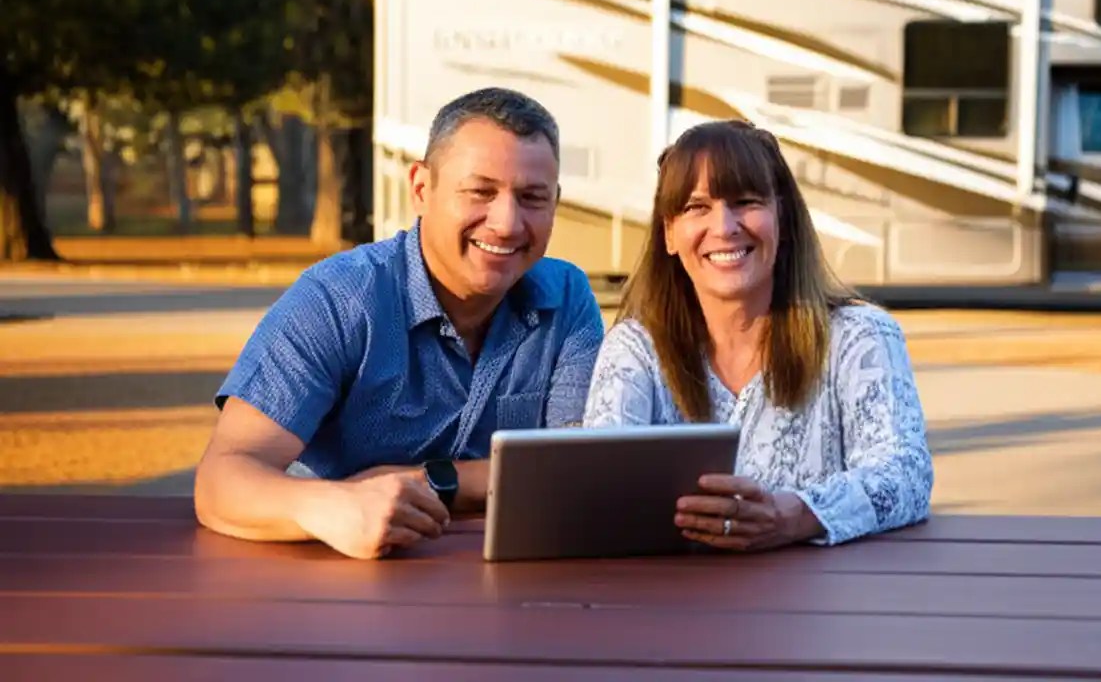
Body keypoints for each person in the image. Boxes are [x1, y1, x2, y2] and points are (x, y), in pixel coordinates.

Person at [194, 88, 604, 559]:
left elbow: (571, 476)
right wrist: (335, 506)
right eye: (480, 192)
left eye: (532, 197)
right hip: (339, 588)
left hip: (507, 591)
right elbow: (222, 479)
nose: (507, 223)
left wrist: (422, 480)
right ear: (421, 190)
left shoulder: (567, 297)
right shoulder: (339, 298)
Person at [582, 119, 932, 551]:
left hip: (822, 610)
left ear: (781, 218)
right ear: (669, 232)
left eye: (745, 201)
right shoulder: (635, 349)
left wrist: (796, 514)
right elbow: (598, 489)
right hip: (671, 609)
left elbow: (905, 474)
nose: (724, 226)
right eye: (696, 207)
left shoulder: (861, 337)